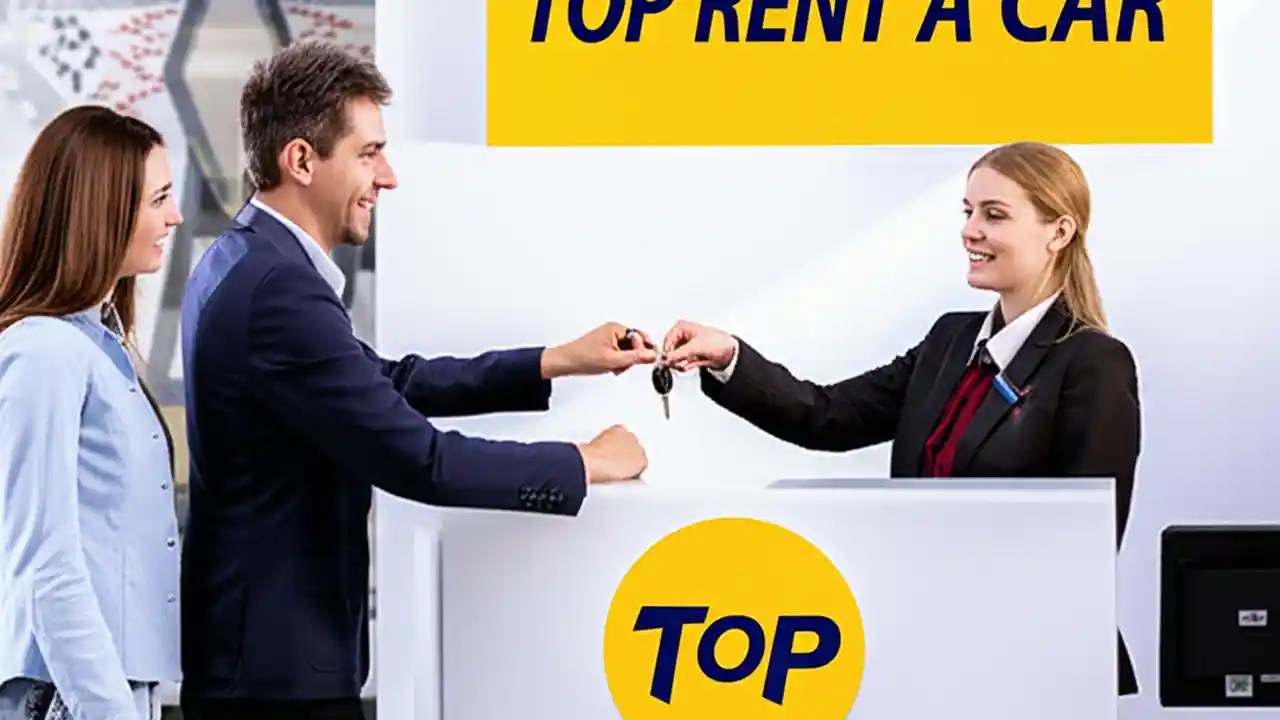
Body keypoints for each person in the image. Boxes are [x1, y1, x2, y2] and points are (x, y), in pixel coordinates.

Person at [178, 41, 653, 720]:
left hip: (259, 666)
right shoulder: (277, 288)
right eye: (369, 153)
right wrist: (587, 461)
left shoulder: (245, 258)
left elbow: (385, 381)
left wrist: (555, 360)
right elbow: (421, 460)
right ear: (302, 160)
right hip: (276, 683)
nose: (389, 177)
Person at [662, 141, 1140, 696]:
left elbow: (1082, 543)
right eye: (968, 211)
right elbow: (830, 416)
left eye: (994, 215)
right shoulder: (949, 339)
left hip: (1030, 660)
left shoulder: (1092, 362)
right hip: (925, 642)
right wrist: (729, 357)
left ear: (1059, 232)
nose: (970, 231)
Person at [0, 105, 183, 720]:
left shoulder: (97, 346)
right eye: (159, 199)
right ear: (102, 210)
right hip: (72, 695)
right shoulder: (44, 352)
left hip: (105, 688)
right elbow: (45, 564)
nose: (175, 217)